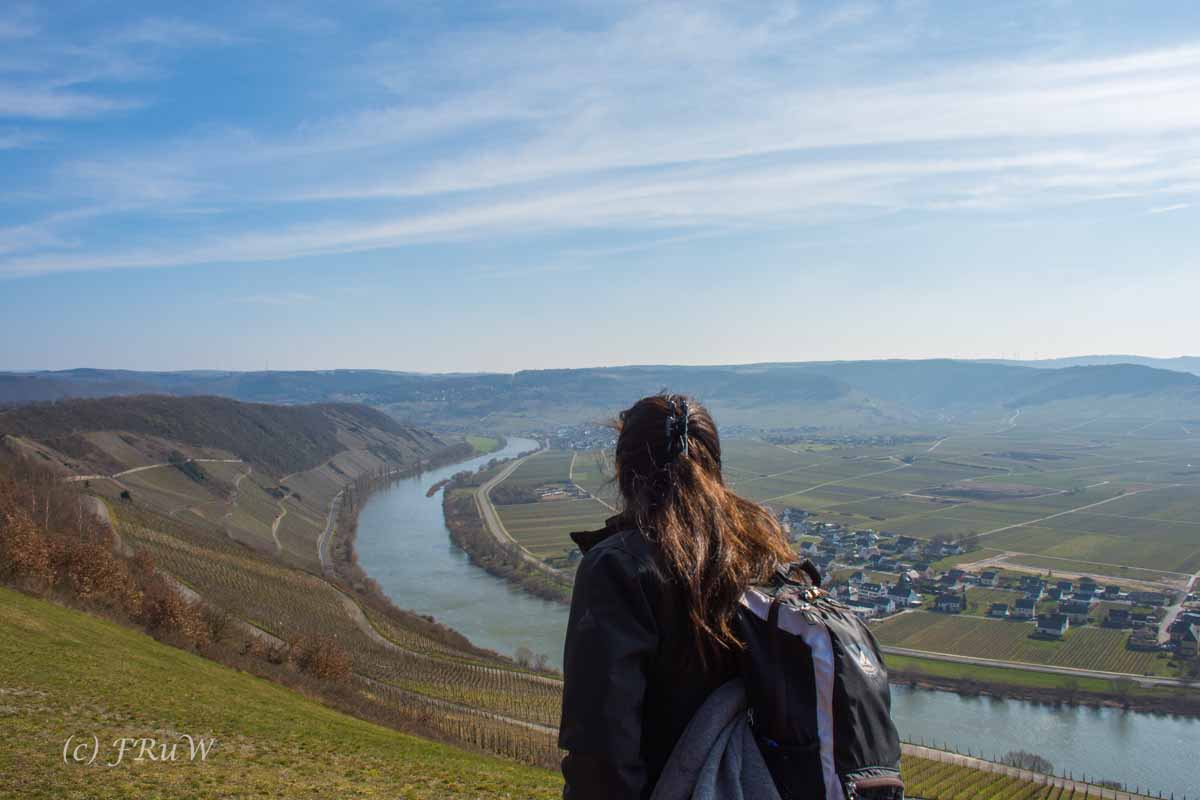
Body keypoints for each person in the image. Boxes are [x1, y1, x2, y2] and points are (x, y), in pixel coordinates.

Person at [559, 393, 795, 799]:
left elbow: (601, 748)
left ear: (624, 470)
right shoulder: (766, 553)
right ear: (715, 467)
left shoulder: (620, 566)